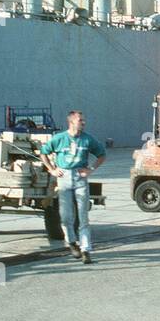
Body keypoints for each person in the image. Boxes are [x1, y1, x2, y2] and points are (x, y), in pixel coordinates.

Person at [39, 111, 106, 262]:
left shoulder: (87, 139)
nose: (83, 122)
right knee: (66, 216)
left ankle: (85, 250)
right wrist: (52, 169)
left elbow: (102, 154)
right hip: (64, 178)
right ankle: (71, 242)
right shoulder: (59, 139)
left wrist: (91, 169)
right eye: (80, 120)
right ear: (71, 122)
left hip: (79, 177)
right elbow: (43, 152)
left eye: (83, 120)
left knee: (83, 216)